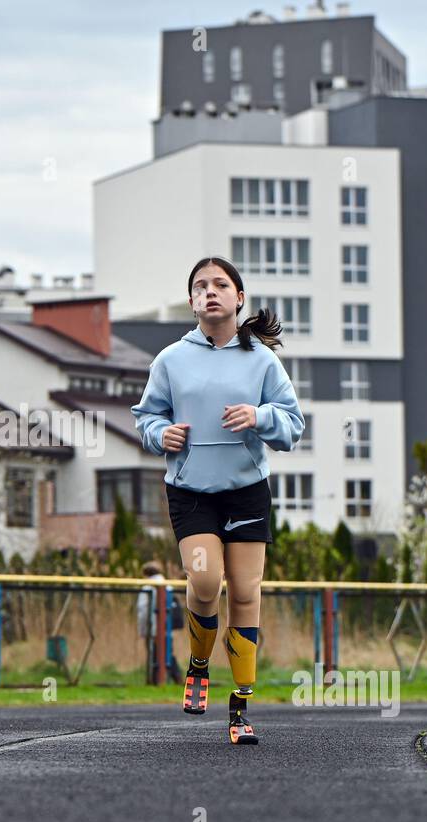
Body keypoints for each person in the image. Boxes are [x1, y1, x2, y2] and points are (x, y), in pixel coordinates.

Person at [131, 256, 304, 744]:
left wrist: (259, 415)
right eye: (201, 286)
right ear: (191, 302)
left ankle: (241, 706)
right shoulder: (170, 360)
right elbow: (145, 417)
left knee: (246, 593)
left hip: (247, 489)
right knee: (206, 582)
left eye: (221, 285)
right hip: (191, 490)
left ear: (238, 298)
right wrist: (160, 433)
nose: (211, 292)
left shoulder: (262, 360)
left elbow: (293, 426)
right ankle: (199, 664)